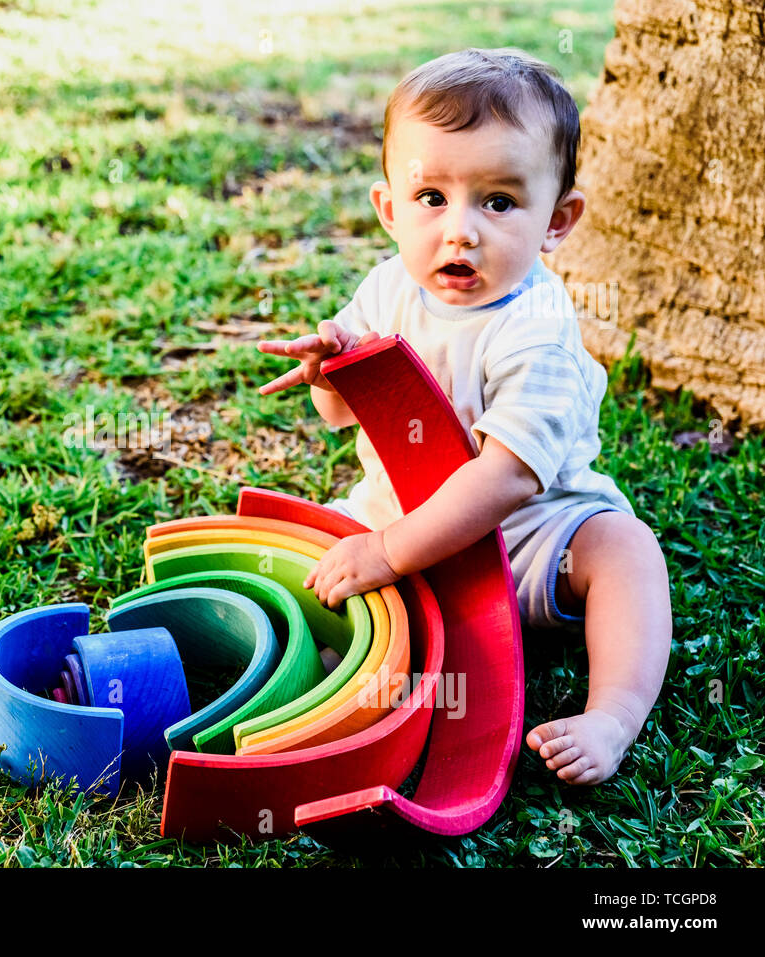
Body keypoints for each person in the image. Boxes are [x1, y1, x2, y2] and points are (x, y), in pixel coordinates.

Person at [256, 48, 671, 786]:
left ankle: (612, 713)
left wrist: (389, 552)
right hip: (394, 512)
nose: (461, 231)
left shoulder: (537, 328)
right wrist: (332, 375)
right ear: (390, 209)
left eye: (500, 201)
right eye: (432, 199)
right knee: (290, 554)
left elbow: (508, 478)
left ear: (557, 220)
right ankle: (326, 670)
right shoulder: (388, 290)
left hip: (528, 539)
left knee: (625, 551)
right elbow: (339, 415)